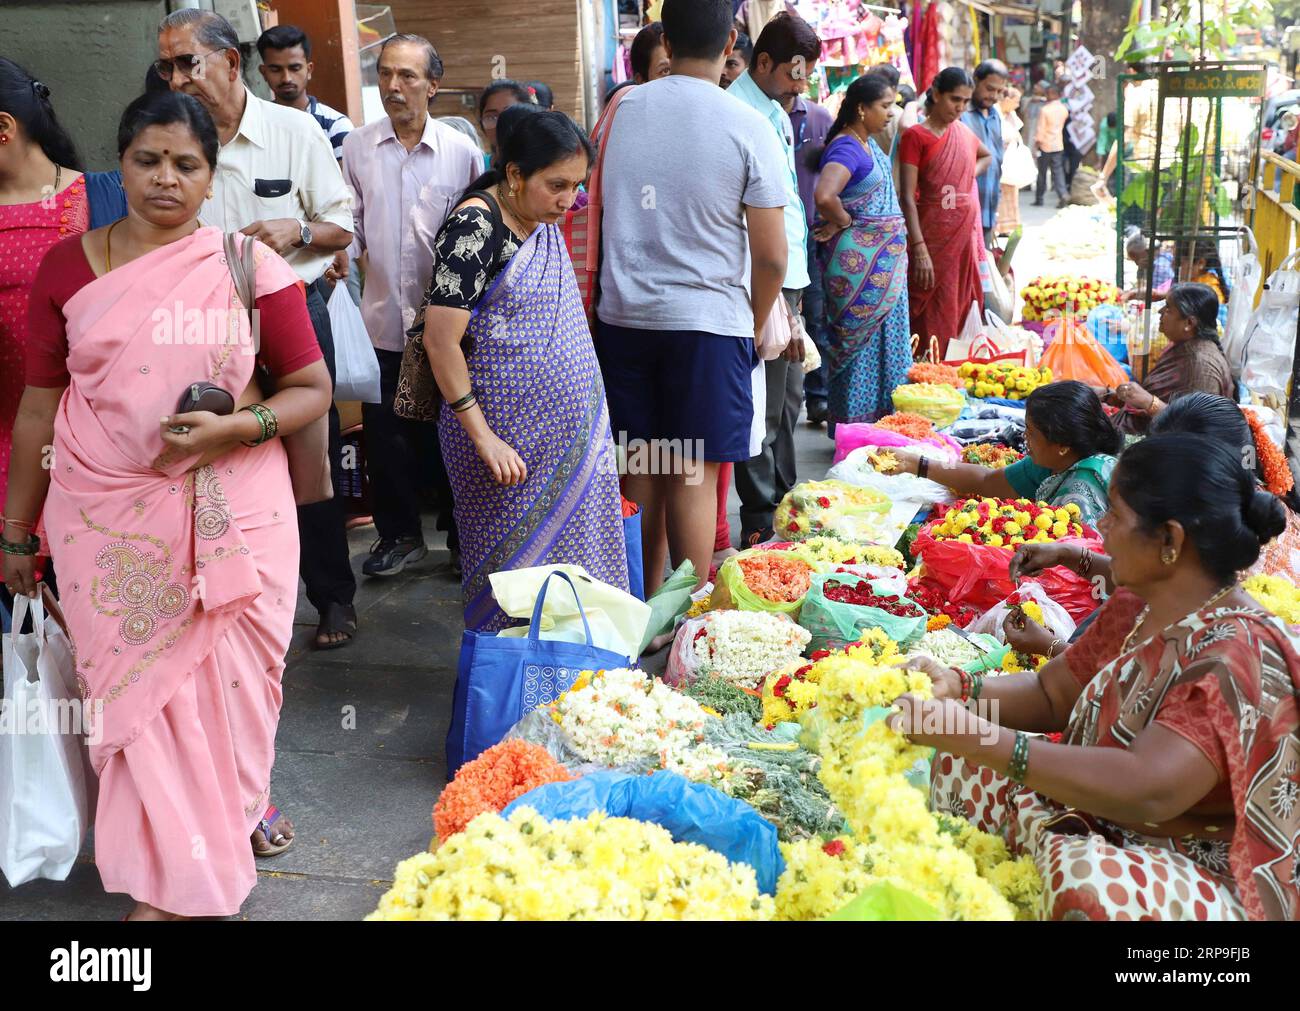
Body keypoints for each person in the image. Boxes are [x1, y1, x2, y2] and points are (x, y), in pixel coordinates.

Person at [3, 90, 332, 920]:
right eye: (148, 160)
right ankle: (168, 869)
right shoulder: (68, 268)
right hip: (105, 518)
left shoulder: (244, 265)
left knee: (229, 685)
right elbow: (39, 406)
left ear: (211, 175)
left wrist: (234, 428)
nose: (165, 178)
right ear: (122, 164)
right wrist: (15, 532)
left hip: (236, 507)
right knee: (142, 698)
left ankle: (197, 863)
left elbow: (310, 389)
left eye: (187, 164)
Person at [906, 435, 1299, 920]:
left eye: (1114, 514)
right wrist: (960, 688)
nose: (1099, 525)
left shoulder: (1236, 655)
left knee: (1086, 883)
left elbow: (1149, 787)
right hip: (1111, 822)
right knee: (955, 759)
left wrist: (984, 738)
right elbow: (1052, 693)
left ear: (1171, 541)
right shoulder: (1142, 600)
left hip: (1198, 864)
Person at [159, 9, 357, 660]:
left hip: (293, 310)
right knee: (219, 458)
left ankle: (331, 595)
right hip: (205, 323)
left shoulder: (294, 131)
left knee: (310, 459)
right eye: (167, 67)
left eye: (189, 63)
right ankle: (239, 601)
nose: (178, 78)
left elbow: (339, 226)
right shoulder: (171, 141)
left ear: (230, 63)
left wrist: (293, 232)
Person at [594, 0, 788, 592]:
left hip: (624, 319)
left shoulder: (621, 110)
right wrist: (755, 322)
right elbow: (773, 256)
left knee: (644, 466)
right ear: (732, 39)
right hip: (708, 323)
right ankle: (682, 613)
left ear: (666, 40)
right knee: (693, 472)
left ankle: (642, 604)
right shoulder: (747, 124)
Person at [412, 111, 627, 631]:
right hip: (502, 448)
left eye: (577, 186)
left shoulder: (538, 224)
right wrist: (483, 438)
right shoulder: (476, 226)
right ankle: (510, 691)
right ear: (513, 175)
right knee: (513, 577)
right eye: (556, 184)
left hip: (566, 441)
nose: (569, 199)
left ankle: (578, 687)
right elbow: (441, 342)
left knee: (576, 573)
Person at [1006, 391, 1300, 661]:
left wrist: (1050, 647)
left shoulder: (1224, 552)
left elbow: (1134, 676)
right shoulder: (1242, 507)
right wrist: (1069, 556)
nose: (1104, 525)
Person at [342, 35, 483, 579]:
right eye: (385, 75)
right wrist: (340, 256)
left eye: (407, 76)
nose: (394, 87)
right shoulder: (357, 146)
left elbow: (479, 231)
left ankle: (459, 538)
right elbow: (349, 221)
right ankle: (399, 536)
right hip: (381, 318)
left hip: (448, 326)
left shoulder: (460, 152)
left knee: (452, 432)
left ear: (433, 84)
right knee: (386, 438)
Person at [727, 11, 819, 548]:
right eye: (793, 74)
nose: (799, 87)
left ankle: (787, 501)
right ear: (763, 62)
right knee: (762, 403)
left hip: (792, 274)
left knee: (789, 399)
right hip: (760, 275)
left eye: (805, 76)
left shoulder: (778, 115)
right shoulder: (736, 113)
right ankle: (761, 516)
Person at [810, 74, 911, 426]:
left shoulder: (866, 142)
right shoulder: (847, 147)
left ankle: (882, 423)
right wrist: (845, 222)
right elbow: (825, 196)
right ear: (861, 108)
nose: (890, 112)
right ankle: (856, 427)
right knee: (860, 349)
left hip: (883, 269)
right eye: (884, 106)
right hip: (859, 272)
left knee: (885, 345)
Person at [893, 381, 1119, 526]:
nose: (1024, 439)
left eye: (1031, 433)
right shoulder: (1054, 461)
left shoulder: (1083, 487)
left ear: (1062, 445)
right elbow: (986, 481)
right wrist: (914, 464)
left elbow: (1076, 560)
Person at [899, 67, 990, 360]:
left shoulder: (963, 132)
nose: (960, 108)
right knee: (929, 305)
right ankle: (925, 372)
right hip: (931, 235)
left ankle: (952, 371)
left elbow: (986, 156)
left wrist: (964, 181)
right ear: (936, 94)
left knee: (959, 300)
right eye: (954, 99)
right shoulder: (916, 136)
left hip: (963, 235)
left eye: (965, 101)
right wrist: (919, 247)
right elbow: (906, 196)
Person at [1101, 283, 1234, 436]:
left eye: (1168, 308)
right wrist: (1109, 395)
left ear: (1189, 323)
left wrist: (1150, 403)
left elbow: (1194, 430)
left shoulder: (1200, 365)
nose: (1160, 311)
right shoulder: (1183, 346)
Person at [788, 83, 833, 428]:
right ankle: (786, 398)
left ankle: (817, 396)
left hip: (809, 233)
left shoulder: (819, 118)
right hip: (765, 230)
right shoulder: (750, 113)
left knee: (814, 314)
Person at [256, 24, 354, 164]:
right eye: (276, 69)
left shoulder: (335, 127)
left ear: (309, 70)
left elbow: (346, 184)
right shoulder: (255, 124)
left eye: (294, 68)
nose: (286, 78)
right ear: (264, 72)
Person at [961, 59, 1008, 249]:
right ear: (975, 80)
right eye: (990, 89)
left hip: (988, 208)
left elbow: (997, 160)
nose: (994, 96)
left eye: (999, 91)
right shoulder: (961, 114)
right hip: (964, 209)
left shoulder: (995, 115)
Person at [478, 79, 533, 164]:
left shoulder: (545, 169)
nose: (501, 124)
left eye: (510, 114)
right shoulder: (477, 168)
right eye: (491, 118)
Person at [1033, 83, 1068, 208]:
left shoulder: (1045, 110)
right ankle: (1062, 194)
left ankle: (1039, 198)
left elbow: (1040, 129)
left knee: (1042, 173)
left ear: (1051, 94)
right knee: (1058, 172)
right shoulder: (1064, 109)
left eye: (1047, 93)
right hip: (1058, 144)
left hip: (1045, 144)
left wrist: (1036, 145)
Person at [996, 86, 1025, 237]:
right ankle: (998, 226)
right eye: (1016, 101)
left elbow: (1016, 133)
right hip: (999, 158)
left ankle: (1007, 226)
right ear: (1007, 100)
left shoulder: (1011, 114)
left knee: (1011, 192)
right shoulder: (995, 112)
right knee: (999, 191)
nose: (1017, 105)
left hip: (1011, 160)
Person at [1121, 226, 1174, 301]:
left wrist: (1131, 294)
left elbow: (1155, 295)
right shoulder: (1162, 258)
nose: (1137, 264)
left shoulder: (1160, 267)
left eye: (1137, 259)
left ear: (1147, 252)